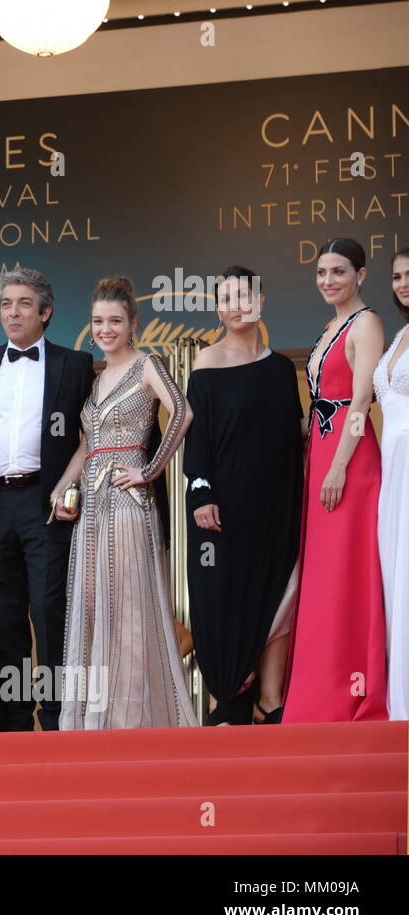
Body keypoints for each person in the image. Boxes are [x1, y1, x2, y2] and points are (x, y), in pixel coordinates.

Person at [51, 276, 197, 729]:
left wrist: (150, 470)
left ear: (133, 323)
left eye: (115, 321)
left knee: (130, 608)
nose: (105, 329)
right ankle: (103, 714)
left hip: (128, 503)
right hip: (92, 507)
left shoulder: (146, 363)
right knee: (96, 607)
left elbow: (183, 411)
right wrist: (61, 488)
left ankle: (132, 719)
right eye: (98, 321)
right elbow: (87, 445)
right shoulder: (97, 381)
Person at [0, 268, 95, 731]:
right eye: (4, 304)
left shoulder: (73, 365)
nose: (12, 312)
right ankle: (13, 721)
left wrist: (73, 492)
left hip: (47, 503)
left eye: (22, 304)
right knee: (3, 614)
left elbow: (95, 435)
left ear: (45, 312)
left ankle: (55, 717)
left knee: (49, 610)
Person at [183, 267, 304, 725]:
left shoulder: (279, 369)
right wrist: (201, 494)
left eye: (244, 297)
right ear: (217, 308)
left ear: (261, 303)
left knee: (277, 594)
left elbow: (294, 435)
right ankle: (228, 698)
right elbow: (200, 442)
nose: (236, 306)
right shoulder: (206, 363)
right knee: (222, 596)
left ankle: (271, 701)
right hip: (222, 509)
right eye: (226, 298)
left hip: (276, 505)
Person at [285, 238, 388, 722]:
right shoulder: (331, 325)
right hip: (324, 454)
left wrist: (340, 464)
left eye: (339, 271)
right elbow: (324, 399)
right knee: (325, 574)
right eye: (322, 271)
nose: (328, 280)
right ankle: (318, 693)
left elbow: (360, 401)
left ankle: (350, 690)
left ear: (361, 275)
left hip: (350, 456)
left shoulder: (366, 323)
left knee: (348, 569)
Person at [379, 248, 409, 721]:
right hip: (390, 470)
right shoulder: (400, 333)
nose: (403, 282)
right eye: (398, 276)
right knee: (395, 580)